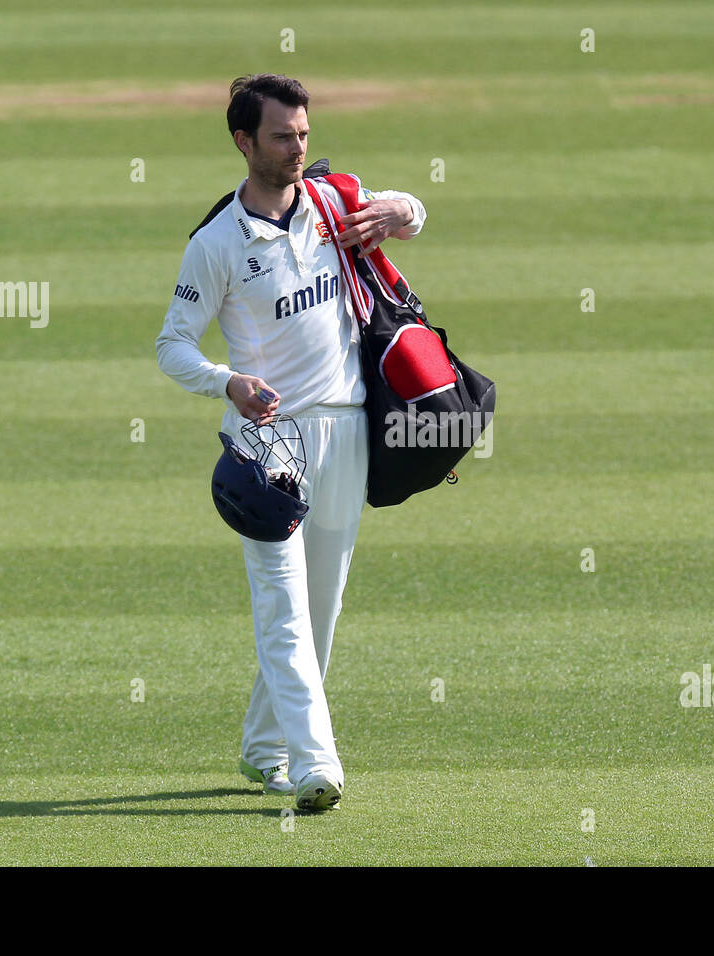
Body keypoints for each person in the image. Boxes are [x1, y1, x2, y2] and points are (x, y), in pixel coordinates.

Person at [154, 74, 426, 812]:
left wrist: (401, 209)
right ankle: (316, 765)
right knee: (284, 608)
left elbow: (412, 214)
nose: (298, 147)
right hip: (268, 447)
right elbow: (172, 345)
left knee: (322, 606)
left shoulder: (335, 200)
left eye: (303, 133)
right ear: (244, 142)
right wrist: (228, 382)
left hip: (347, 426)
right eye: (282, 136)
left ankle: (263, 747)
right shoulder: (215, 244)